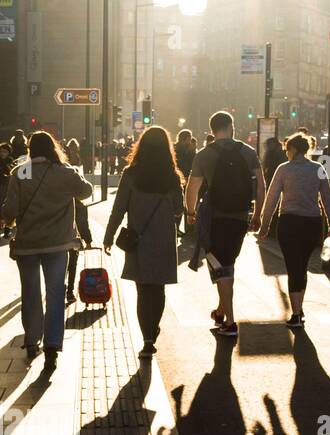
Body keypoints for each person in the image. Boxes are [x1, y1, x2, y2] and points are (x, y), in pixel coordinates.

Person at [2, 131, 93, 370]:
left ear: (31, 149)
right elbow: (86, 192)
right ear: (53, 148)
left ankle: (32, 341)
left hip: (28, 245)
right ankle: (52, 345)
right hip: (58, 243)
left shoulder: (22, 171)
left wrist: (11, 220)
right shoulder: (64, 172)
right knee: (55, 294)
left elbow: (9, 210)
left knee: (31, 292)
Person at [102, 126, 184, 358]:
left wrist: (108, 236)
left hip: (138, 240)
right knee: (157, 289)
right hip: (163, 240)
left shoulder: (131, 174)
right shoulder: (172, 176)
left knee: (142, 291)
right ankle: (152, 333)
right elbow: (179, 209)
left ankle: (146, 337)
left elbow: (119, 209)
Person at [184, 110, 265, 337]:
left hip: (213, 217)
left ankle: (229, 322)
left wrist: (190, 212)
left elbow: (192, 187)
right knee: (226, 264)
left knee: (222, 266)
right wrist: (257, 214)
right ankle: (221, 311)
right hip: (240, 216)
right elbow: (261, 186)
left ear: (212, 130)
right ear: (231, 126)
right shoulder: (248, 152)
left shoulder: (204, 154)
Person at [254, 132, 330, 329]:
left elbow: (272, 199)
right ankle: (299, 309)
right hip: (312, 223)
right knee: (302, 266)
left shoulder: (283, 169)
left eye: (287, 150)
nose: (286, 153)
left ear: (292, 149)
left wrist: (264, 226)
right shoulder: (319, 168)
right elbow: (327, 198)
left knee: (293, 266)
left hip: (289, 223)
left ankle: (296, 314)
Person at [63, 138, 94, 306]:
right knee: (72, 262)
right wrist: (87, 240)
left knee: (58, 266)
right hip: (71, 236)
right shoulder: (79, 202)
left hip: (54, 237)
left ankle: (61, 288)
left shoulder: (57, 194)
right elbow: (83, 223)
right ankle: (69, 292)